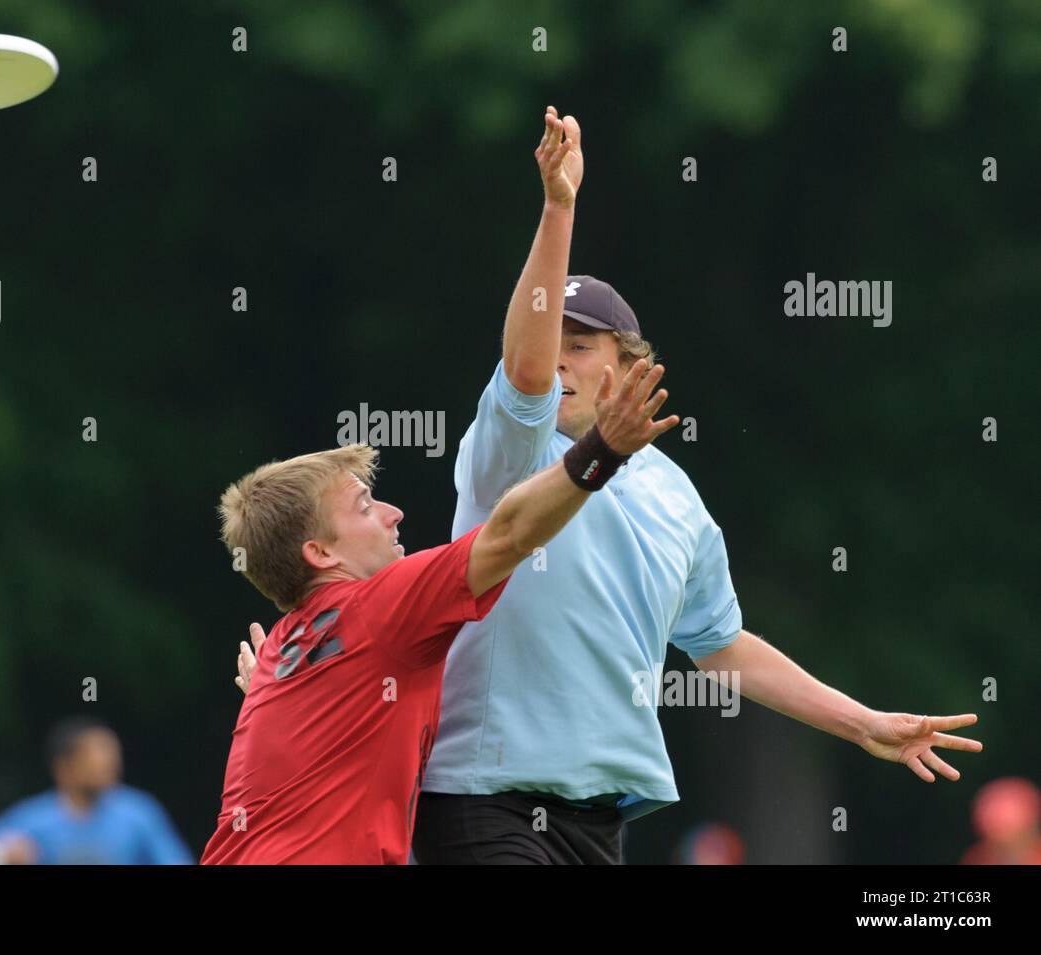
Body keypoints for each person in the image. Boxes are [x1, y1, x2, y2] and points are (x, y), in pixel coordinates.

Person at [237, 105, 983, 865]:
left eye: (582, 345)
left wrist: (862, 722)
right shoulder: (512, 445)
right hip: (482, 799)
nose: (557, 359)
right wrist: (559, 207)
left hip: (601, 818)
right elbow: (524, 369)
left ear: (628, 366)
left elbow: (721, 647)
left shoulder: (676, 496)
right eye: (550, 340)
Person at [203, 327, 679, 863]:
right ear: (321, 554)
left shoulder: (282, 657)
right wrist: (603, 450)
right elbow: (510, 533)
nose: (393, 513)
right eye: (364, 507)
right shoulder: (380, 607)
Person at [0, 717, 193, 864]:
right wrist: (1, 855)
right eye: (96, 756)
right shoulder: (36, 818)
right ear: (63, 767)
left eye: (112, 756)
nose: (108, 764)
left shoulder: (138, 813)